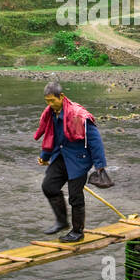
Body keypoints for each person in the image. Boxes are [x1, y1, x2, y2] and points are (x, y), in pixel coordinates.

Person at [34, 81, 108, 242]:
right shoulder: (51, 114)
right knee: (49, 187)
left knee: (75, 197)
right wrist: (44, 156)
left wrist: (100, 167)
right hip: (60, 157)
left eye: (52, 101)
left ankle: (77, 231)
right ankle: (62, 222)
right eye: (47, 102)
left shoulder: (78, 115)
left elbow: (95, 141)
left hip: (79, 161)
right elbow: (51, 136)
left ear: (61, 96)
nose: (50, 105)